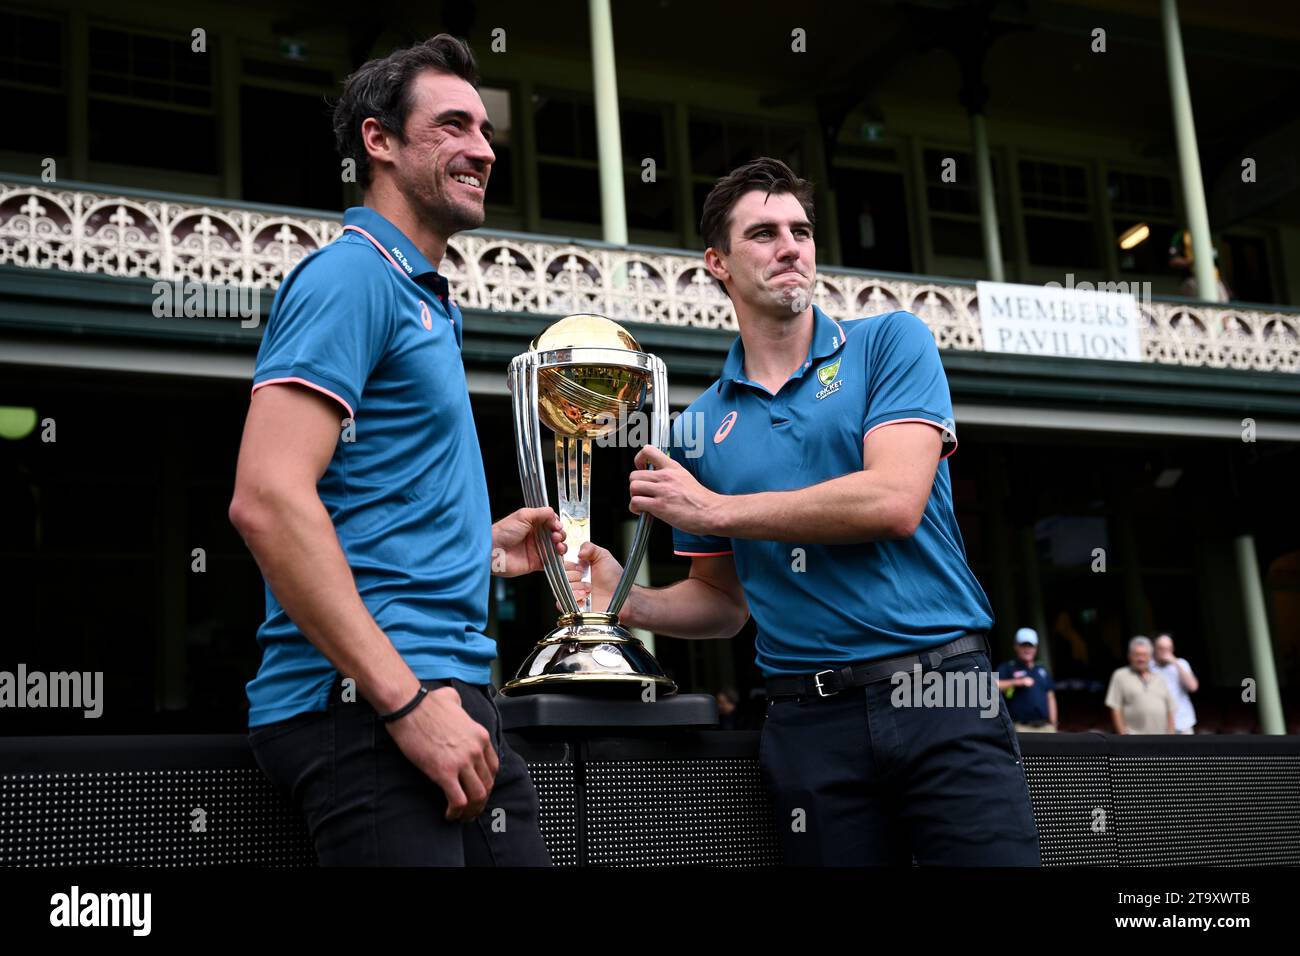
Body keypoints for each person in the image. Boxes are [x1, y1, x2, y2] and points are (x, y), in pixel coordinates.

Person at [567, 157, 1039, 866]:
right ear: (718, 264)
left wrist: (719, 510)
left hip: (940, 694)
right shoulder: (695, 429)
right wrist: (624, 602)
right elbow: (723, 604)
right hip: (806, 721)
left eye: (801, 230)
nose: (791, 246)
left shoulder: (891, 342)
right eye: (764, 233)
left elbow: (893, 501)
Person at [229, 35, 561, 866]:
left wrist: (476, 549)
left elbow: (361, 505)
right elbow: (267, 498)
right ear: (378, 141)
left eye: (485, 131)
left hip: (444, 695)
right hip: (370, 710)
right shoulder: (352, 277)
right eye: (452, 126)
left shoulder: (425, 297)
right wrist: (404, 701)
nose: (482, 150)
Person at [1104, 636, 1174, 735]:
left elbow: (1170, 709)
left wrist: (1171, 737)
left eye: (1144, 655)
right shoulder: (1120, 675)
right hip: (1133, 739)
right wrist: (1123, 736)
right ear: (1129, 656)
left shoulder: (1160, 678)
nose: (1141, 659)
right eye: (1137, 655)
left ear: (1150, 657)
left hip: (1161, 739)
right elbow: (1115, 707)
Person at [997, 628, 1058, 732]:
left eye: (1031, 645)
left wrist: (1054, 723)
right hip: (1020, 727)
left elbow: (1050, 697)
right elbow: (990, 686)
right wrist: (1017, 682)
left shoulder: (1042, 669)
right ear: (1016, 646)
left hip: (1046, 727)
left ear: (1036, 647)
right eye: (1023, 645)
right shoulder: (1007, 667)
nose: (1027, 649)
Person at [1151, 632, 1198, 734]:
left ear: (1172, 649)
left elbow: (1193, 687)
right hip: (1158, 726)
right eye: (1161, 648)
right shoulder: (1148, 667)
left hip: (1183, 722)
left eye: (1168, 649)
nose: (1165, 652)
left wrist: (1175, 662)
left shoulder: (1181, 664)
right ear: (1154, 649)